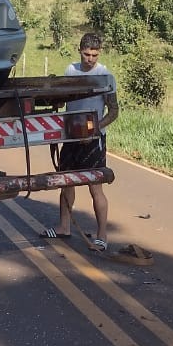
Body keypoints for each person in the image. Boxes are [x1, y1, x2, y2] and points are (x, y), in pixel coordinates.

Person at [44, 33, 118, 249]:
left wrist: (94, 129)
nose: (90, 59)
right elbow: (63, 102)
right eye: (86, 54)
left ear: (99, 53)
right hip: (71, 137)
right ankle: (63, 227)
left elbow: (114, 111)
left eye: (94, 55)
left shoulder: (105, 76)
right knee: (66, 182)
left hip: (93, 140)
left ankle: (102, 236)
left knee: (95, 187)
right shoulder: (71, 70)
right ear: (80, 51)